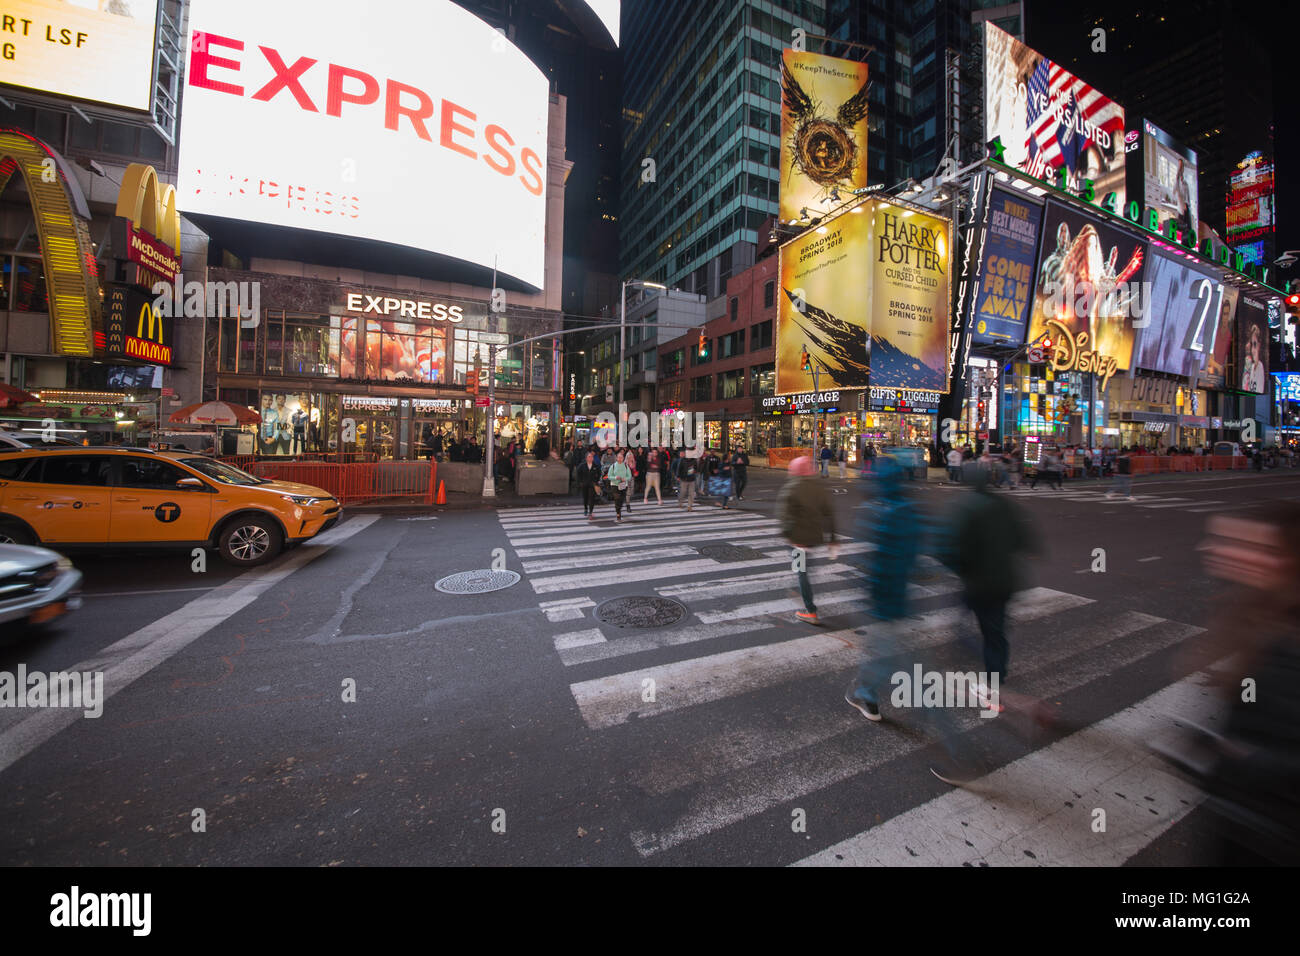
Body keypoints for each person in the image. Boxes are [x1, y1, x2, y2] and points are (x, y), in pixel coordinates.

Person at [932, 462, 1039, 779]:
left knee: (962, 629)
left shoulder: (965, 507)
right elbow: (1026, 542)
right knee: (996, 632)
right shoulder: (1004, 504)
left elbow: (946, 548)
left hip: (976, 583)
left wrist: (960, 568)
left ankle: (973, 673)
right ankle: (995, 682)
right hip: (1004, 583)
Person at [845, 455, 920, 721]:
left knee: (886, 650)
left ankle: (866, 692)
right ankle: (866, 690)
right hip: (895, 593)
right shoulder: (905, 508)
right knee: (885, 648)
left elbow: (878, 557)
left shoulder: (884, 511)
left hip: (886, 594)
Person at [777, 455, 837, 623]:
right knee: (804, 570)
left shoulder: (792, 487)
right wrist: (832, 537)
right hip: (814, 537)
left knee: (801, 571)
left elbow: (785, 517)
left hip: (797, 539)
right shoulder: (818, 488)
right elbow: (829, 513)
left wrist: (788, 536)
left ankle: (810, 609)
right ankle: (801, 590)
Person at [606, 449, 633, 522]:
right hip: (615, 485)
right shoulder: (613, 466)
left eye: (621, 457)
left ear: (623, 458)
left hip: (624, 485)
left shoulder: (626, 465)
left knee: (621, 499)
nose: (620, 459)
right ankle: (618, 514)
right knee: (617, 498)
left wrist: (625, 479)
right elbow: (609, 476)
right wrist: (615, 477)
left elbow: (629, 476)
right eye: (619, 457)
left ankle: (619, 509)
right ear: (616, 458)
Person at [577, 450, 602, 521]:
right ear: (586, 458)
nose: (590, 458)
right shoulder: (582, 465)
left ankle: (590, 512)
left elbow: (599, 473)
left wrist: (596, 481)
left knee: (592, 498)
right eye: (589, 457)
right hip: (584, 484)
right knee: (585, 498)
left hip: (592, 484)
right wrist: (580, 481)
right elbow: (578, 473)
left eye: (591, 457)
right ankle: (585, 508)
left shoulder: (595, 466)